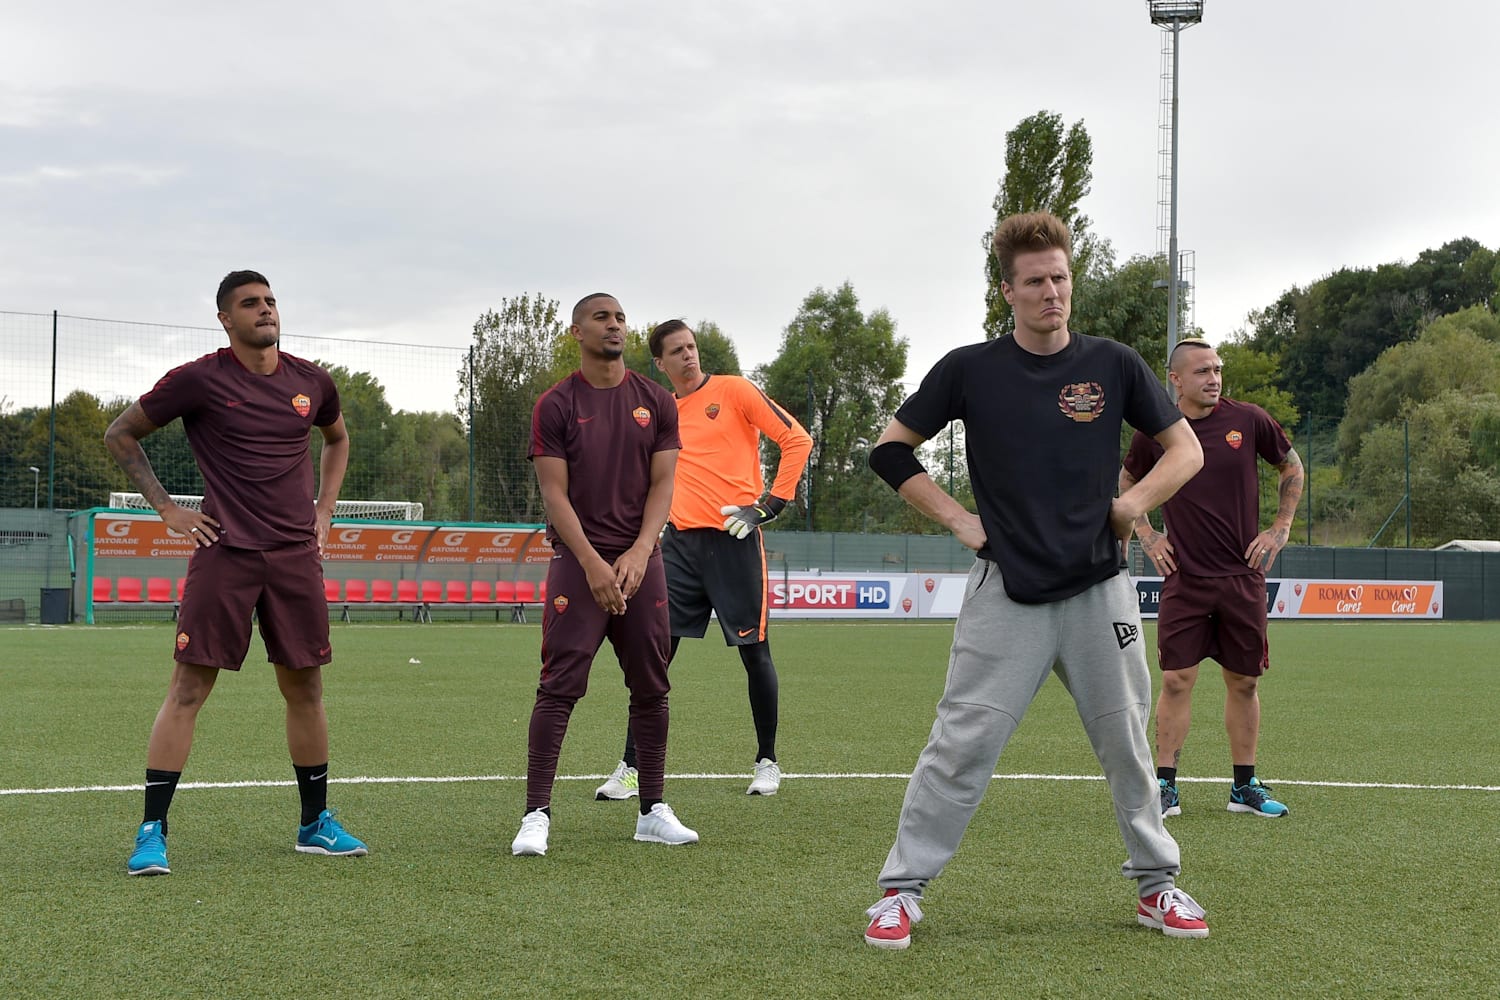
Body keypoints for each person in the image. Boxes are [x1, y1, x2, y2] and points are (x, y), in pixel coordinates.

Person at [862, 211, 1210, 949]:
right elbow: (890, 451)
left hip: (1099, 590)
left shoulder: (1115, 364)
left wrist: (1132, 507)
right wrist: (960, 520)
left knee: (1128, 744)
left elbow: (1186, 452)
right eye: (1035, 281)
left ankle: (1157, 885)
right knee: (961, 744)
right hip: (1006, 590)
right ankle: (900, 893)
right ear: (1007, 292)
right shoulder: (969, 369)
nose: (1052, 292)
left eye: (1060, 278)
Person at [104, 270, 366, 876]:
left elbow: (337, 439)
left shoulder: (312, 382)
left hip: (295, 556)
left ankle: (314, 824)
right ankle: (152, 831)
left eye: (270, 300)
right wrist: (167, 509)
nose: (265, 310)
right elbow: (121, 433)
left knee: (305, 688)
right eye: (250, 303)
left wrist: (325, 510)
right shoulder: (199, 379)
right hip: (225, 552)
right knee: (188, 689)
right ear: (225, 319)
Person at [511, 293, 699, 857]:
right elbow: (554, 494)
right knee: (558, 686)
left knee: (652, 685)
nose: (614, 325)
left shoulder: (656, 401)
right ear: (577, 332)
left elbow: (663, 484)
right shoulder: (556, 404)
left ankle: (652, 811)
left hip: (642, 563)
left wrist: (641, 551)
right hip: (578, 562)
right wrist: (593, 563)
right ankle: (536, 815)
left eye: (619, 318)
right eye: (601, 317)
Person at [593, 320, 813, 801]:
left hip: (736, 541)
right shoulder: (661, 411)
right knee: (655, 656)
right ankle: (632, 767)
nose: (688, 356)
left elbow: (798, 440)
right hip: (678, 549)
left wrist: (770, 505)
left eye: (691, 347)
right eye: (677, 351)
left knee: (755, 653)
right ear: (660, 363)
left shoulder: (735, 391)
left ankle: (767, 762)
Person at [1121, 338, 1304, 819]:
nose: (1214, 378)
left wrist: (1280, 527)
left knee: (1244, 682)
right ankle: (1165, 787)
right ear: (1176, 380)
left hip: (1243, 576)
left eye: (1217, 369)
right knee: (1177, 680)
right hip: (1185, 578)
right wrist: (1147, 534)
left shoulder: (1249, 419)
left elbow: (1291, 464)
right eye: (1202, 371)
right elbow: (1126, 482)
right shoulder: (1157, 432)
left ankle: (1244, 787)